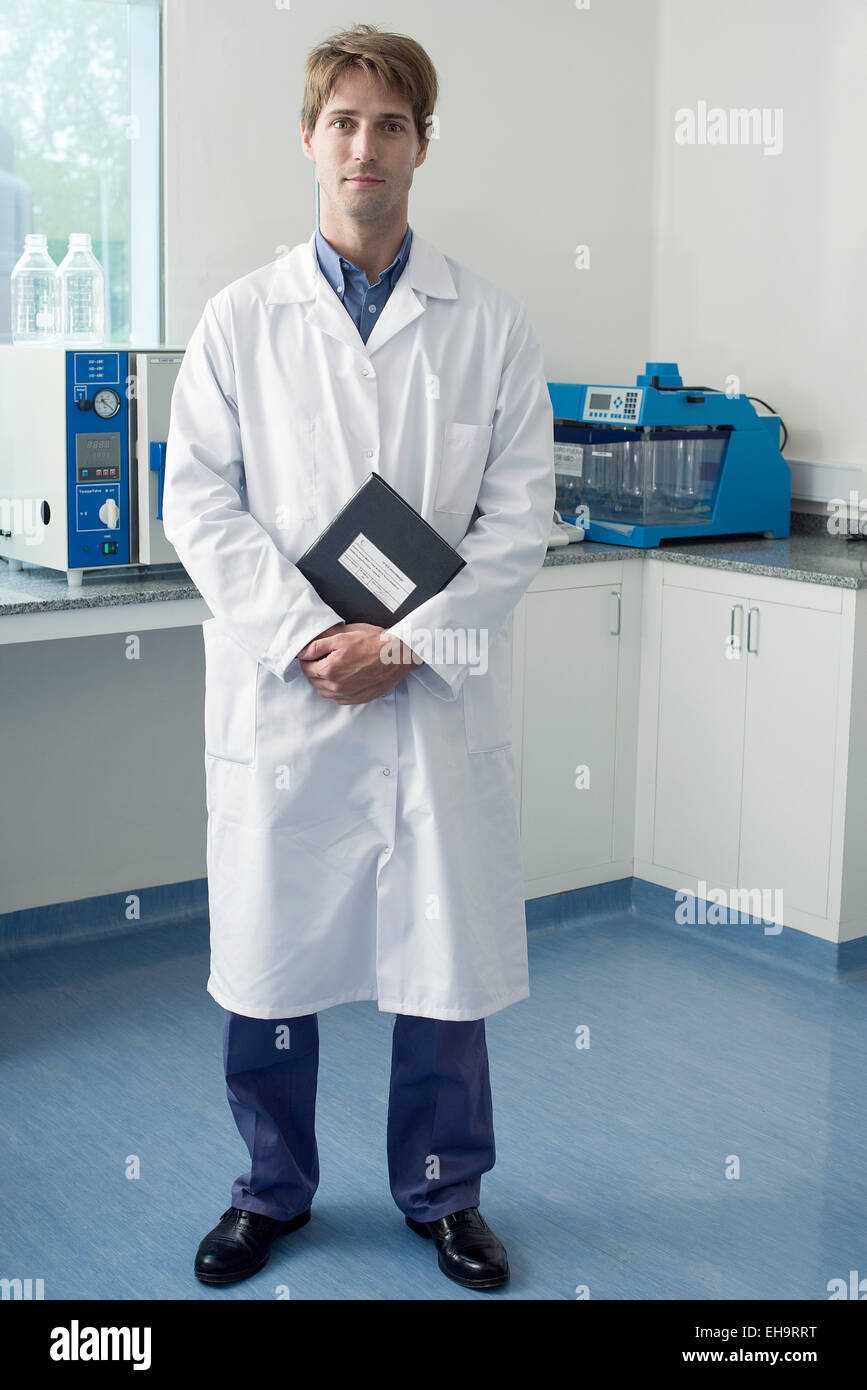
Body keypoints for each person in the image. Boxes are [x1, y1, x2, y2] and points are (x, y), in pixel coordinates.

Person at [162, 22, 555, 1293]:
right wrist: (308, 634)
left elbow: (520, 516)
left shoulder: (488, 323)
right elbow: (200, 505)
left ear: (422, 146)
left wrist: (411, 642)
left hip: (428, 696)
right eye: (344, 121)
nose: (366, 145)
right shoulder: (238, 321)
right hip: (296, 693)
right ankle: (270, 1190)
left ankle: (446, 1195)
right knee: (274, 955)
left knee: (441, 964)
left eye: (391, 124)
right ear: (309, 138)